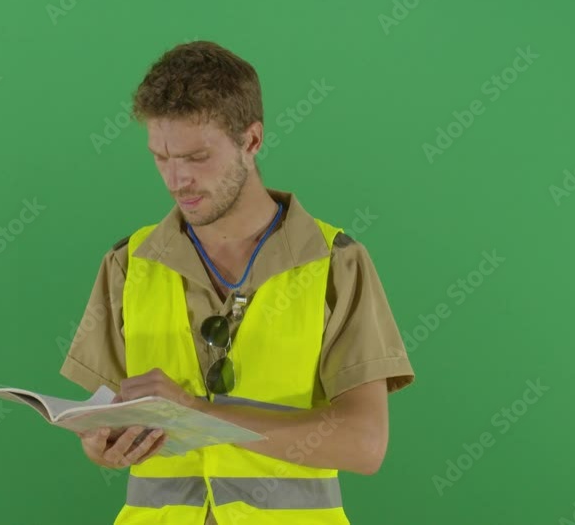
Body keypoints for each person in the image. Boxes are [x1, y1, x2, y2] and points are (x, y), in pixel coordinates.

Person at [60, 40, 416, 525]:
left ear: (251, 141)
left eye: (196, 157)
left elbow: (365, 444)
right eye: (161, 157)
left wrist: (196, 413)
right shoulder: (128, 263)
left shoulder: (336, 263)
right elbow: (105, 419)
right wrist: (101, 445)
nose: (176, 179)